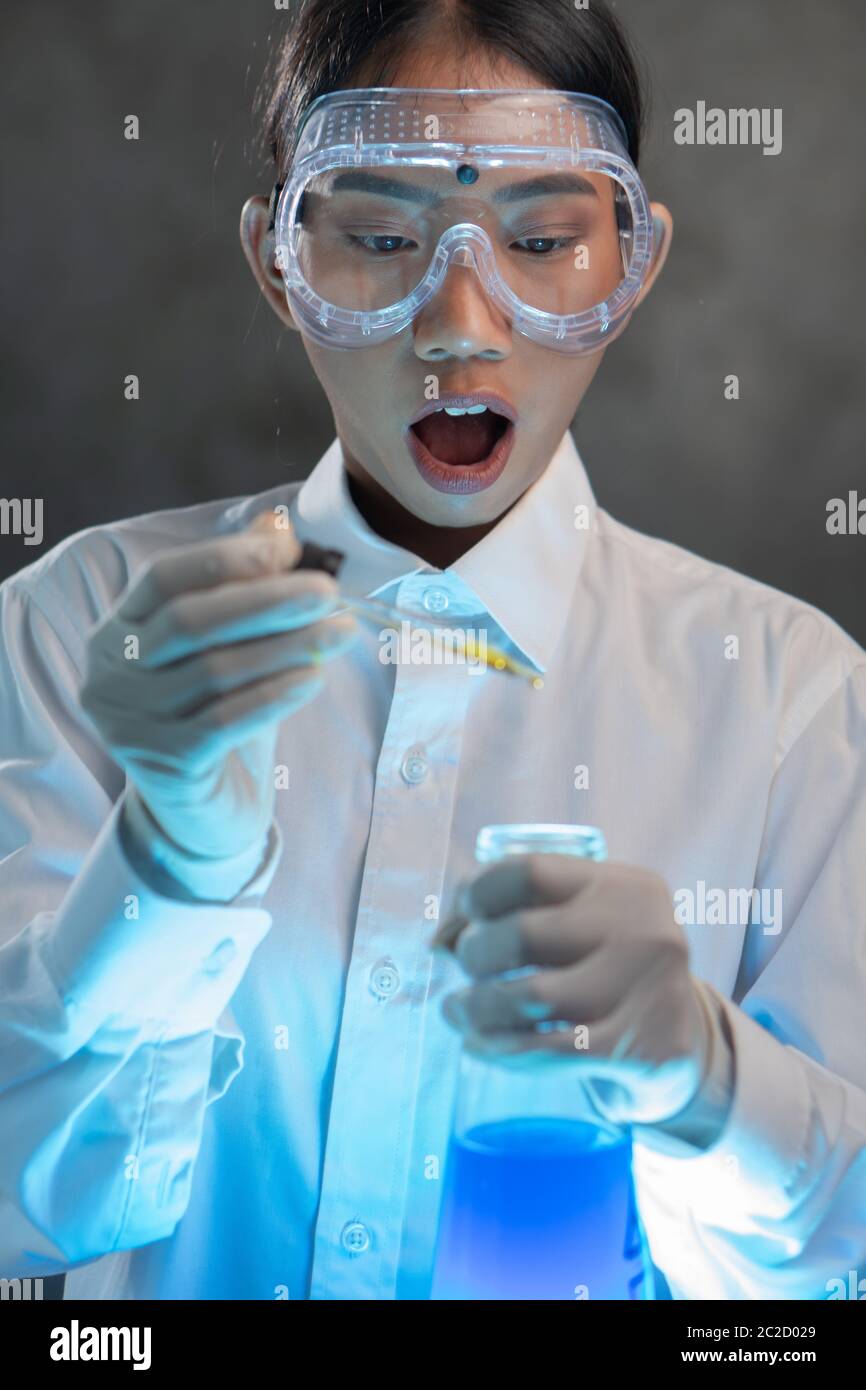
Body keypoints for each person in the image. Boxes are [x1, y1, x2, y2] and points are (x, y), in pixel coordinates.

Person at [1, 0, 864, 1302]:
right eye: (382, 237)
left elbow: (825, 1290)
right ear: (274, 260)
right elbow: (22, 1213)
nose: (460, 319)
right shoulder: (73, 632)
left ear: (631, 257)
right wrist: (166, 861)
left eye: (541, 239)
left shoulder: (793, 696)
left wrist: (703, 1073)